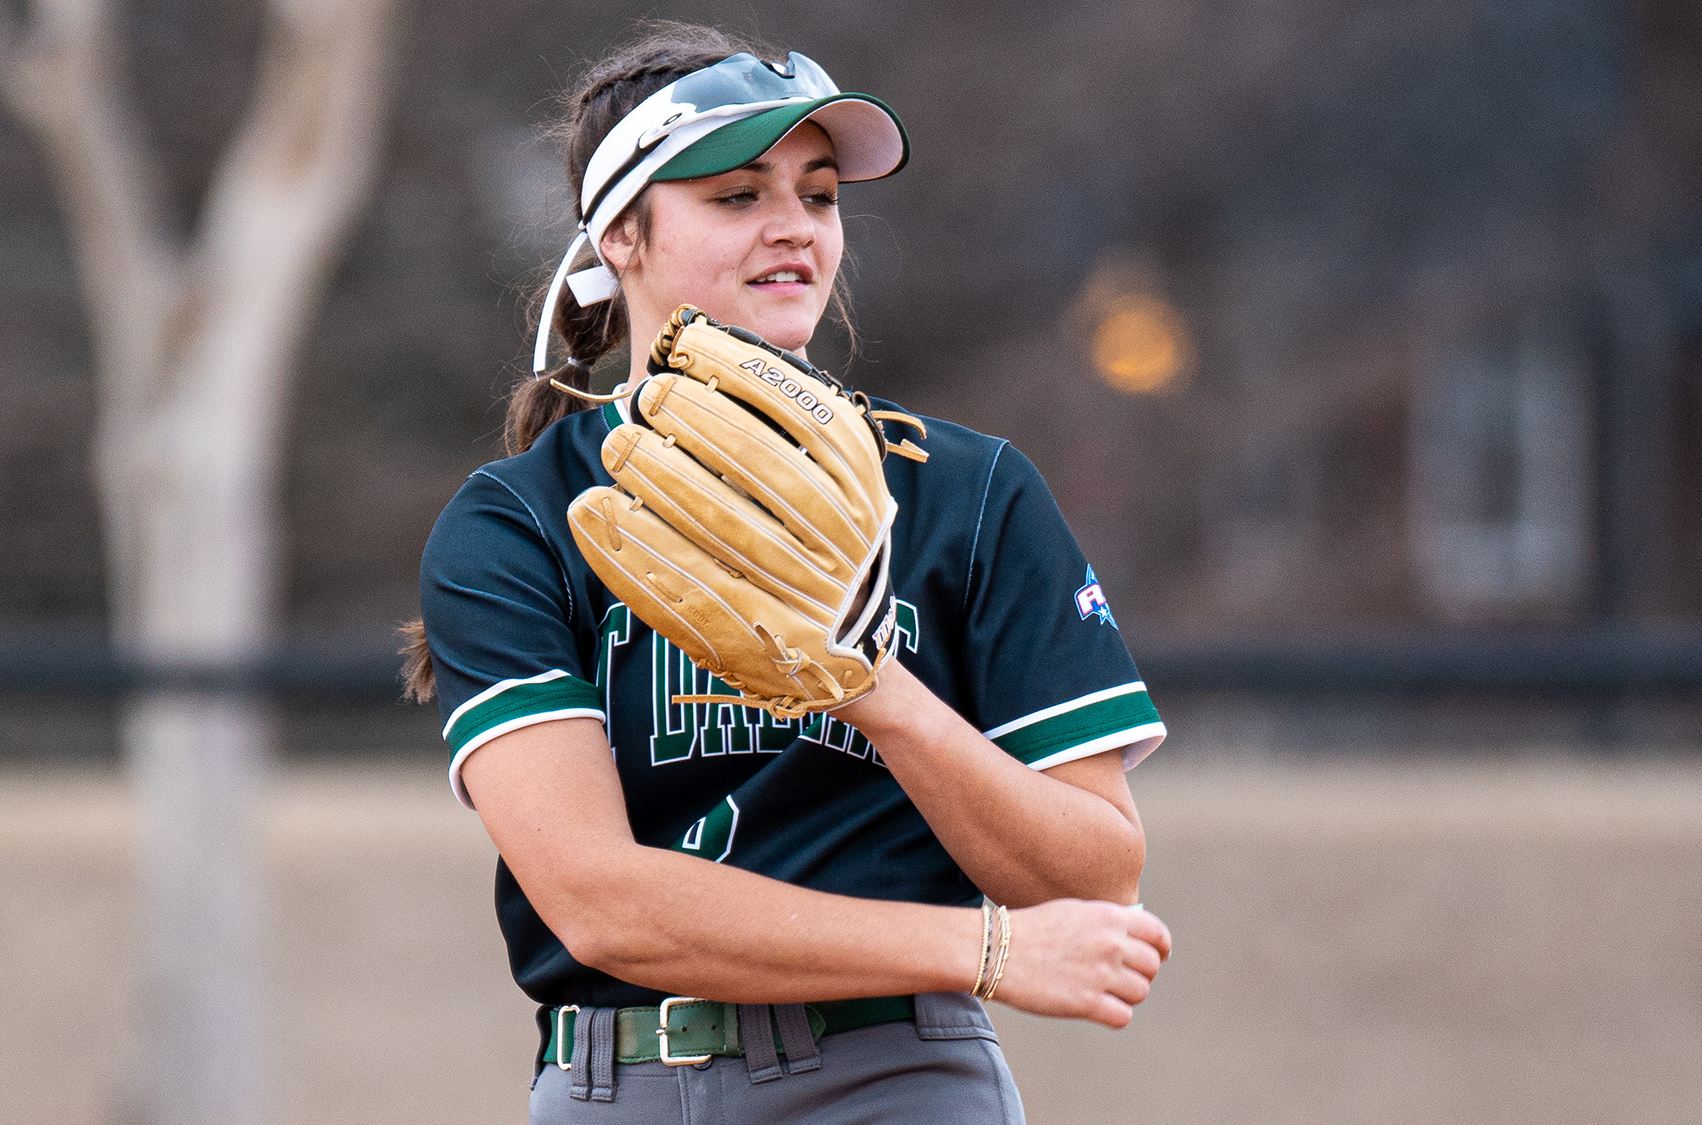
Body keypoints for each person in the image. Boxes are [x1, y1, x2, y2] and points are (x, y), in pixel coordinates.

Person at [405, 24, 1173, 1124]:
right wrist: (984, 948)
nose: (792, 229)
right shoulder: (522, 516)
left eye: (817, 196)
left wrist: (872, 685)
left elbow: (1092, 878)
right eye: (734, 196)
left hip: (894, 1078)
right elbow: (599, 906)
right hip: (614, 1078)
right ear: (619, 233)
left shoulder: (966, 490)